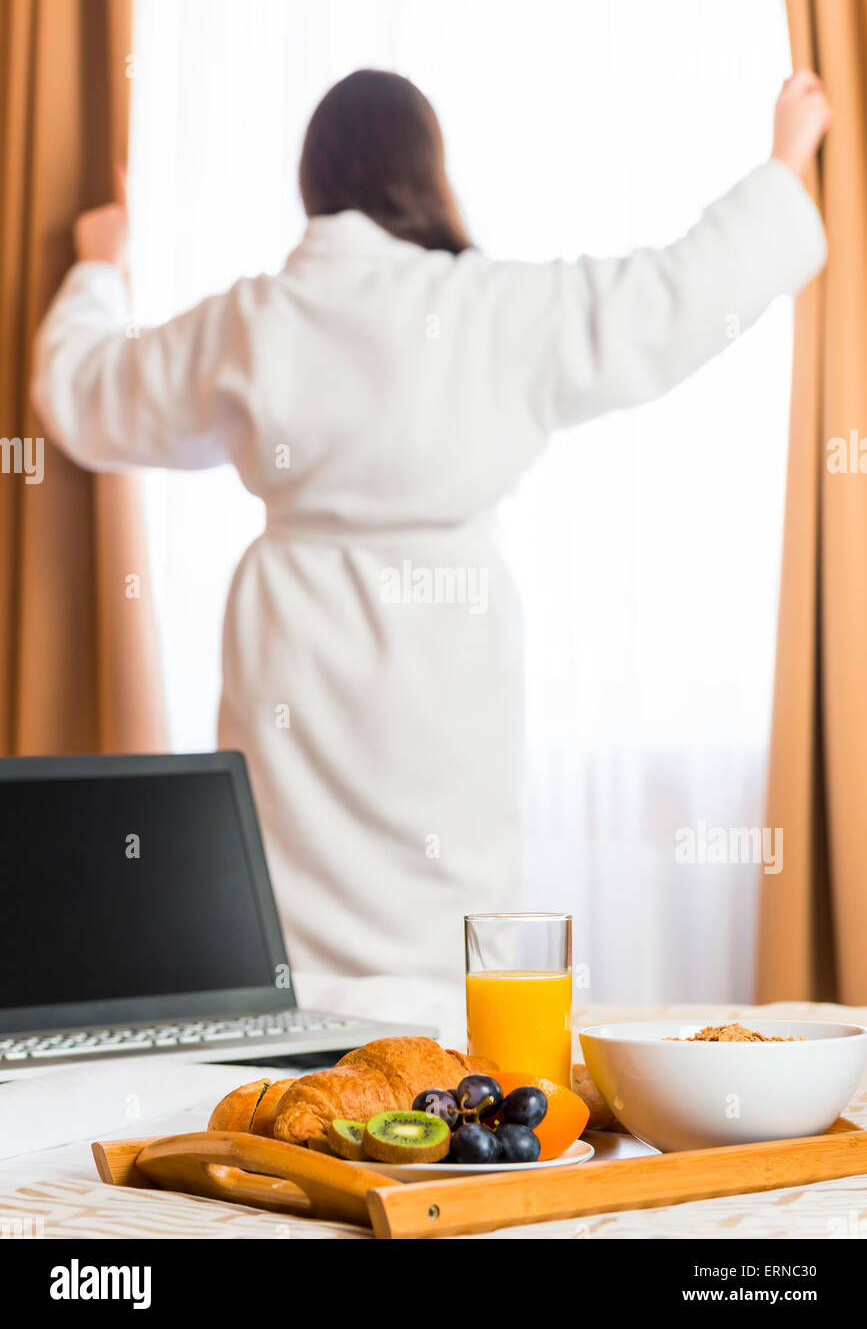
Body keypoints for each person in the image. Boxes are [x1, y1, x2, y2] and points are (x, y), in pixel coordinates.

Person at [33, 67, 831, 980]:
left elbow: (85, 393)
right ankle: (442, 1094)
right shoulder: (491, 309)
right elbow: (670, 297)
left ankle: (298, 1099)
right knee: (446, 952)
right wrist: (782, 165)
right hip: (448, 660)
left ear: (315, 181)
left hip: (291, 645)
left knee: (288, 944)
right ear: (426, 172)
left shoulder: (252, 321)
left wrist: (99, 264)